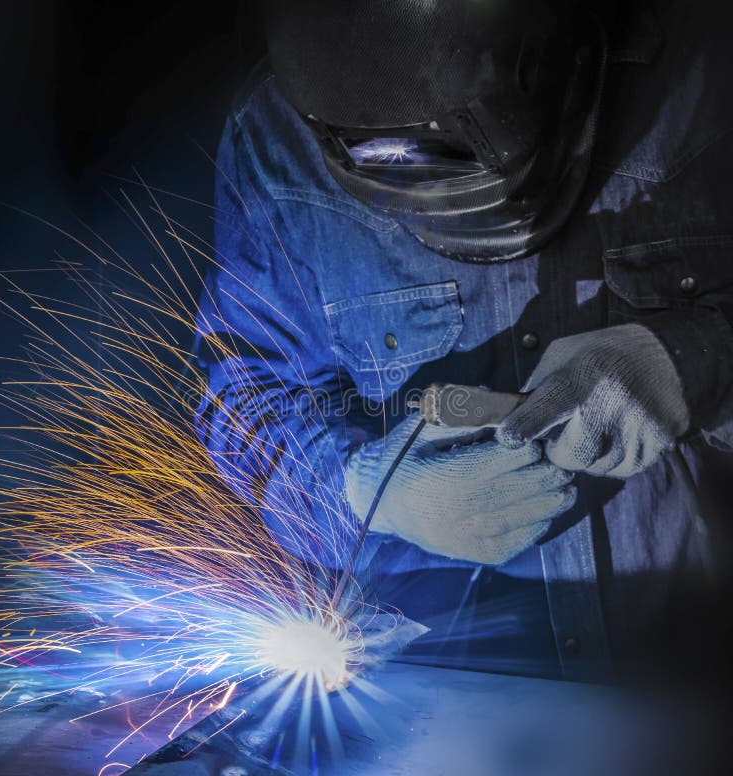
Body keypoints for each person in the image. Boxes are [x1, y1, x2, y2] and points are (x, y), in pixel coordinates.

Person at [194, 0, 733, 681]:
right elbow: (244, 398)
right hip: (451, 704)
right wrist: (362, 490)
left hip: (698, 685)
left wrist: (694, 360)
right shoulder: (277, 149)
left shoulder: (709, 70)